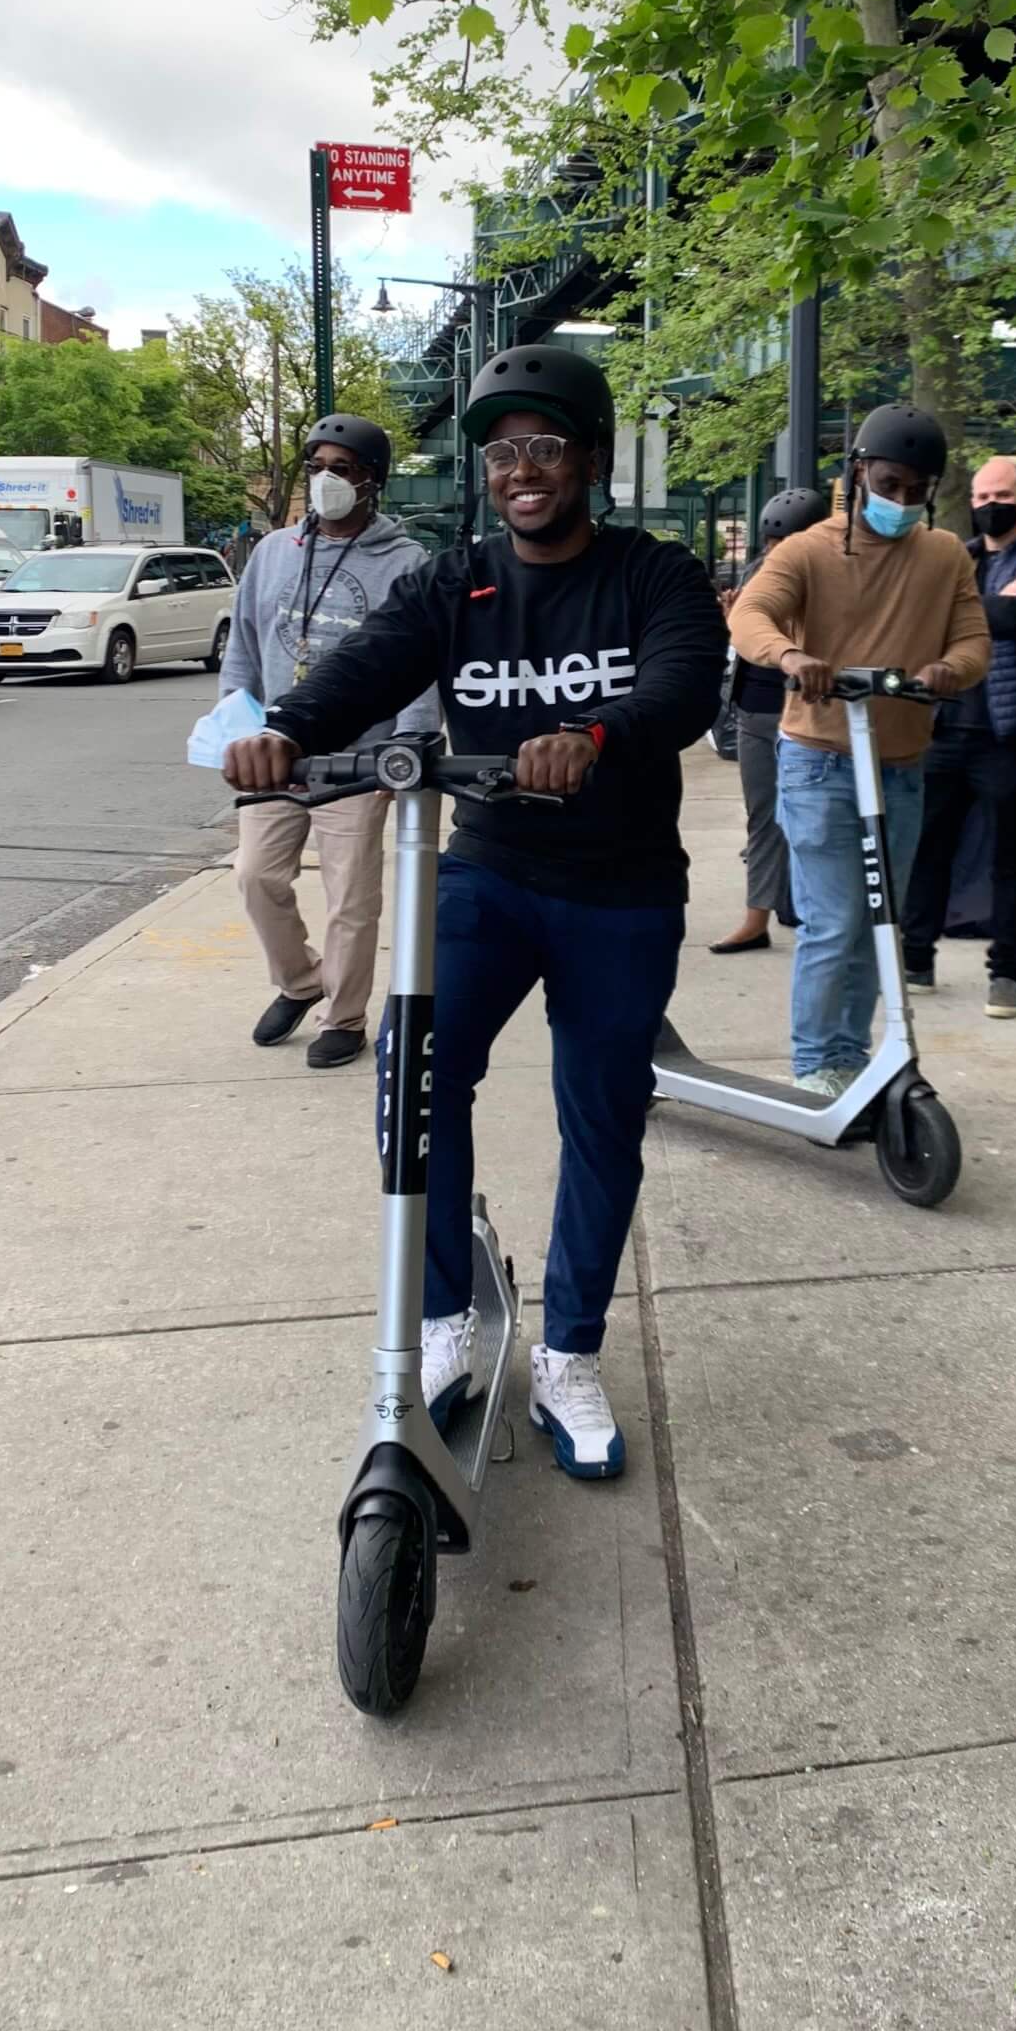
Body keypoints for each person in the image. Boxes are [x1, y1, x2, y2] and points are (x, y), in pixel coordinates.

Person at [223, 346, 726, 1479]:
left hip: (621, 889)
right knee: (416, 1069)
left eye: (545, 444)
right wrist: (289, 731)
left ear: (591, 458)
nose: (521, 469)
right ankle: (444, 1314)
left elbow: (681, 686)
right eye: (502, 451)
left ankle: (572, 1351)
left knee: (601, 1112)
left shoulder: (655, 575)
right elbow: (363, 665)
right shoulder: (458, 584)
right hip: (490, 873)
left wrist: (593, 738)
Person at [730, 407, 990, 1097]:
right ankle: (818, 1062)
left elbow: (973, 641)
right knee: (837, 918)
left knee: (882, 920)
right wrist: (792, 656)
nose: (901, 501)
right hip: (818, 758)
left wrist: (947, 671)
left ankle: (854, 1052)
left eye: (916, 490)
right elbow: (749, 614)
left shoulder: (942, 556)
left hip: (901, 766)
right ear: (859, 474)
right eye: (889, 483)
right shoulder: (807, 551)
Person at [221, 412, 437, 1069]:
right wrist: (238, 729)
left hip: (360, 758)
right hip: (277, 751)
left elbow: (423, 659)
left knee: (352, 897)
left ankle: (342, 1016)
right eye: (316, 466)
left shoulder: (406, 562)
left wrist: (411, 745)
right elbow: (245, 651)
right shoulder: (270, 554)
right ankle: (300, 981)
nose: (325, 479)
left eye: (341, 469)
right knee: (255, 876)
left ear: (374, 480)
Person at [900, 457, 1016, 1018]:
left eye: (1001, 494)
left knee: (1009, 855)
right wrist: (986, 605)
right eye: (980, 496)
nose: (989, 505)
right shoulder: (962, 558)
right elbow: (928, 616)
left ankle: (1006, 974)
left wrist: (967, 609)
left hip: (1012, 733)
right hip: (948, 726)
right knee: (930, 847)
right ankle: (915, 960)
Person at [709, 485, 827, 955]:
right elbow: (748, 632)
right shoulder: (760, 571)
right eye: (771, 545)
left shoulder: (829, 578)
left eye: (786, 545)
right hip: (757, 706)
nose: (776, 554)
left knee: (810, 816)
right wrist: (732, 619)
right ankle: (757, 917)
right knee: (764, 814)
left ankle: (804, 906)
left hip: (805, 710)